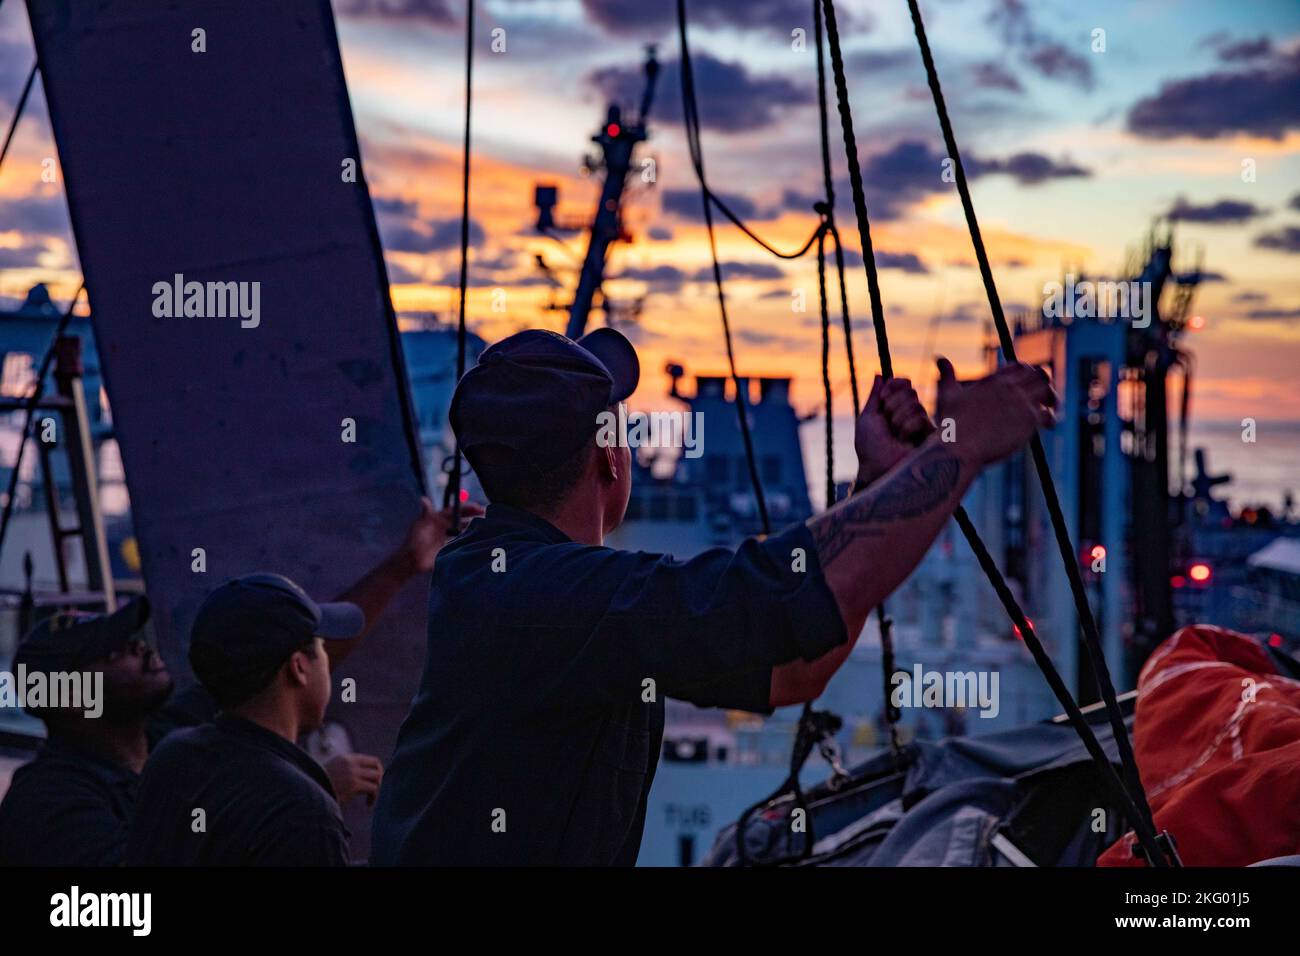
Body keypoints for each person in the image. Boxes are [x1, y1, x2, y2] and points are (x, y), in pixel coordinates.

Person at [371, 327, 1056, 866]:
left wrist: (874, 481)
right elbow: (765, 607)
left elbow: (792, 666)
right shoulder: (549, 597)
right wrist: (959, 447)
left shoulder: (509, 584)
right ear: (611, 458)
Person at [126, 499, 479, 866]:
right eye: (323, 646)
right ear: (298, 668)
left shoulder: (173, 756)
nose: (330, 658)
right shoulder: (304, 809)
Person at [0, 598, 171, 866]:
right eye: (114, 652)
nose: (141, 646)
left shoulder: (172, 735)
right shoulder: (47, 804)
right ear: (73, 697)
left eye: (131, 638)